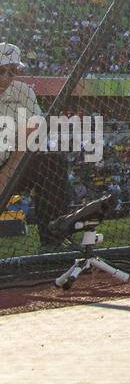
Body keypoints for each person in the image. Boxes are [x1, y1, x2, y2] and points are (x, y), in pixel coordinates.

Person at [0, 41, 70, 245]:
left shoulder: (23, 92)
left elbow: (31, 135)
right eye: (1, 70)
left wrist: (7, 174)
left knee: (52, 163)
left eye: (12, 71)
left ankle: (53, 242)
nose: (6, 77)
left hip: (13, 163)